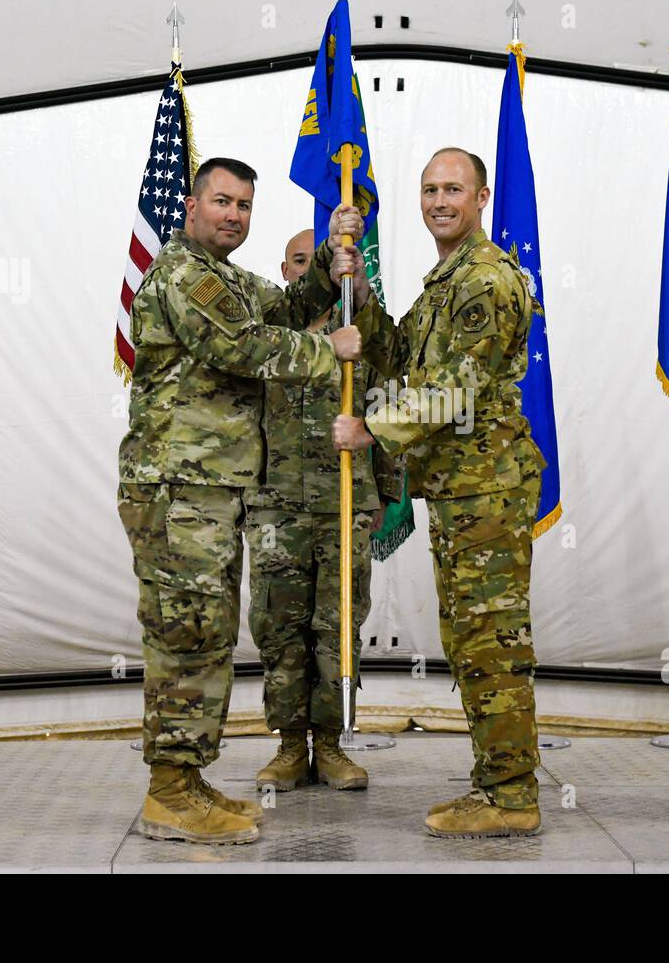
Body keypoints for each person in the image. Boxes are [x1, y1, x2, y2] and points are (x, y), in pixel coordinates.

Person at [117, 156, 369, 845]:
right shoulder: (181, 274)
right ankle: (168, 792)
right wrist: (330, 351)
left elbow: (284, 307)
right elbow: (241, 347)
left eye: (245, 206)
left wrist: (328, 257)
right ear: (192, 207)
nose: (234, 215)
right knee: (185, 634)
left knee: (207, 634)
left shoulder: (224, 278)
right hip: (178, 490)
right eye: (222, 201)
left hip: (212, 491)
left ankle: (188, 779)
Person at [333, 148, 545, 838]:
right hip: (461, 487)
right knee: (471, 636)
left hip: (488, 488)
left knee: (491, 640)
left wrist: (371, 427)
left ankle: (512, 796)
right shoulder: (445, 282)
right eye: (428, 189)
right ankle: (497, 784)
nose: (438, 200)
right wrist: (362, 298)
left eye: (453, 188)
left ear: (481, 197)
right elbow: (403, 358)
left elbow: (457, 388)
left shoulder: (485, 281)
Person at [244, 229, 402, 793]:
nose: (325, 270)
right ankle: (289, 746)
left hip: (343, 504)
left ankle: (332, 744)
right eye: (305, 262)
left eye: (333, 261)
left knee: (336, 627)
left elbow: (388, 407)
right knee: (278, 629)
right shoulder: (264, 330)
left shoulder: (363, 338)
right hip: (276, 508)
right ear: (287, 272)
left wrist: (383, 496)